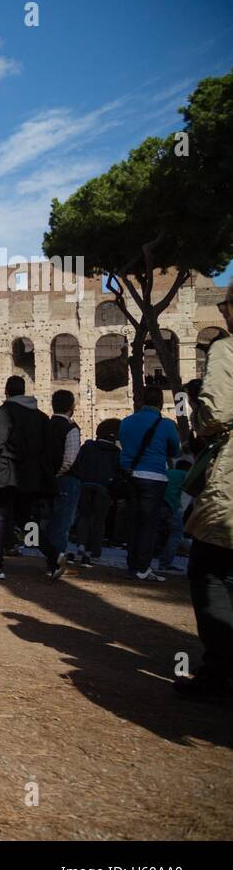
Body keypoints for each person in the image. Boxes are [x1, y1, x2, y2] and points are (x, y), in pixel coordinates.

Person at [179, 288, 233, 699]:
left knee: (210, 569)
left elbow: (215, 413)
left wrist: (196, 412)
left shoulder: (227, 348)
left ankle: (219, 673)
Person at [0, 377, 51, 581]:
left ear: (6, 392)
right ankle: (53, 556)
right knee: (26, 519)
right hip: (30, 476)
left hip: (6, 474)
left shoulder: (3, 412)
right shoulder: (41, 417)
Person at [118, 385, 181, 582]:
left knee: (133, 522)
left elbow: (124, 444)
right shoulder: (166, 425)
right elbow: (175, 450)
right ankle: (143, 567)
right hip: (154, 477)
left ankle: (132, 565)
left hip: (130, 475)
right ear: (161, 403)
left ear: (142, 401)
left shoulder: (126, 422)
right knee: (149, 525)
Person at [40, 389, 82, 581]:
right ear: (71, 407)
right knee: (62, 524)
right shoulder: (71, 428)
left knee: (49, 523)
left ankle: (52, 561)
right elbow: (70, 460)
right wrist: (56, 474)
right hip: (65, 480)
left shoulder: (44, 426)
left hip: (46, 481)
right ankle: (56, 564)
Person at [70, 422, 122, 567]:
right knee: (99, 520)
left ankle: (81, 544)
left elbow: (77, 462)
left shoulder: (87, 447)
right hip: (103, 487)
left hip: (85, 484)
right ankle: (95, 551)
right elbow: (119, 472)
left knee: (84, 515)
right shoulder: (116, 453)